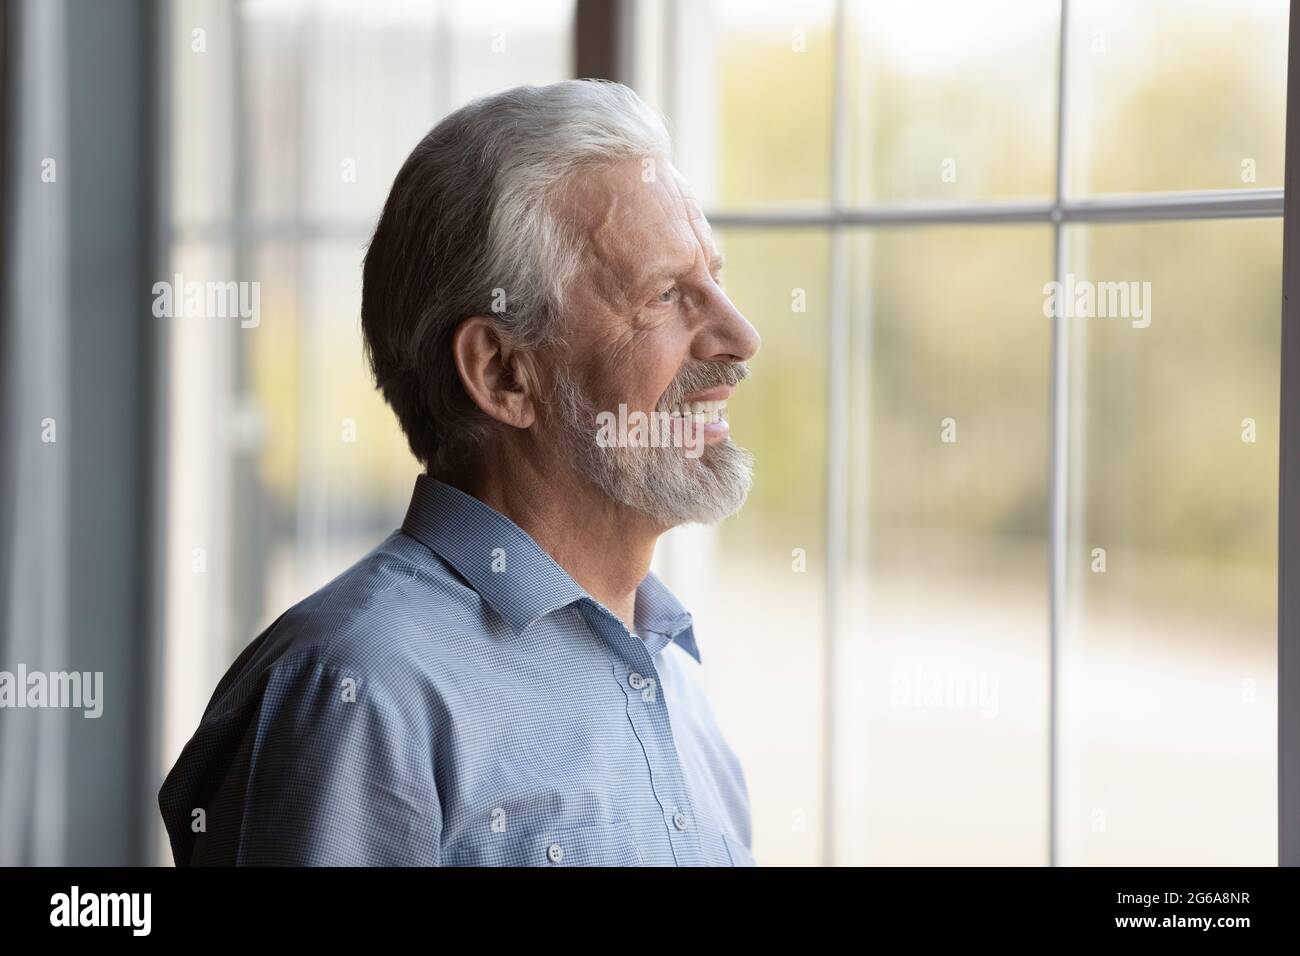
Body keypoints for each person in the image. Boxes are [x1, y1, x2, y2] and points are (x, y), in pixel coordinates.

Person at [158, 79, 762, 866]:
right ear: (504, 373)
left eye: (715, 280)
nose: (739, 336)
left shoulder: (673, 683)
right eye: (665, 295)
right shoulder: (358, 694)